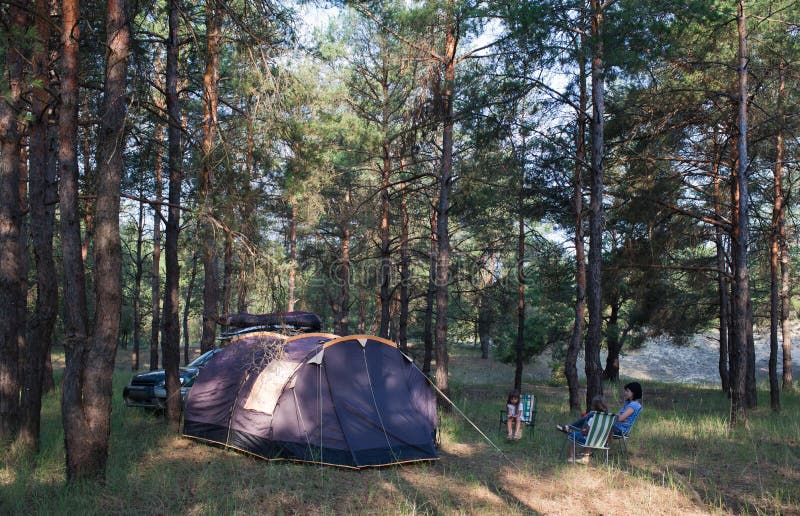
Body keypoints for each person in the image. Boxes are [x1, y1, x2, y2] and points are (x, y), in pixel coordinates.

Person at [563, 395, 608, 463]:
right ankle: (586, 457)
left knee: (572, 435)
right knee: (591, 436)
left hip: (590, 440)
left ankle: (571, 457)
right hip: (603, 441)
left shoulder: (593, 418)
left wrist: (581, 431)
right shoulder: (608, 418)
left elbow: (587, 431)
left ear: (593, 407)